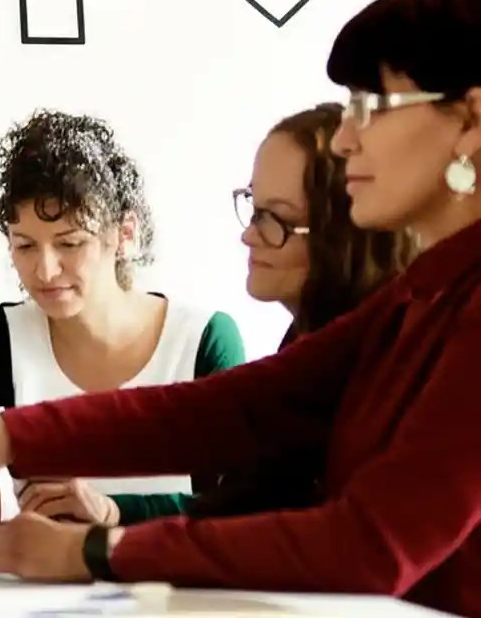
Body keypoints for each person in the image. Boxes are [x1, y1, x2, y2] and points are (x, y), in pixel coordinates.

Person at [0, 0, 481, 618]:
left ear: (472, 119)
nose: (347, 138)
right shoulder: (417, 298)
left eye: (373, 106)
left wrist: (91, 551)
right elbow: (225, 412)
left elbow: (368, 545)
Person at [0, 109, 244, 536]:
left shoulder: (202, 339)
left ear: (124, 235)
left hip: (179, 590)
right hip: (46, 594)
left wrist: (112, 512)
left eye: (69, 243)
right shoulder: (3, 335)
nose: (45, 270)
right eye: (25, 246)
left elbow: (243, 500)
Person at [46, 103, 412, 526]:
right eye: (252, 207)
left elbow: (309, 531)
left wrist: (97, 546)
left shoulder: (386, 356)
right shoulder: (306, 336)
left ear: (343, 236)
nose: (247, 234)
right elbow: (247, 502)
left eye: (274, 219)